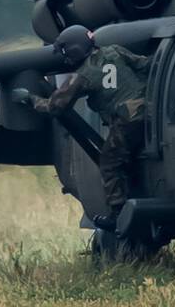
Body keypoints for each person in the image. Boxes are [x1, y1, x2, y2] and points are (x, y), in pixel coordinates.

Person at [13, 24, 152, 227]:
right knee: (127, 157)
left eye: (64, 52)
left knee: (109, 162)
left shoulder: (84, 76)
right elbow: (145, 65)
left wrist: (30, 99)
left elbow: (55, 106)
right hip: (148, 110)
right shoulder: (115, 50)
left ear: (74, 50)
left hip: (127, 119)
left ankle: (119, 214)